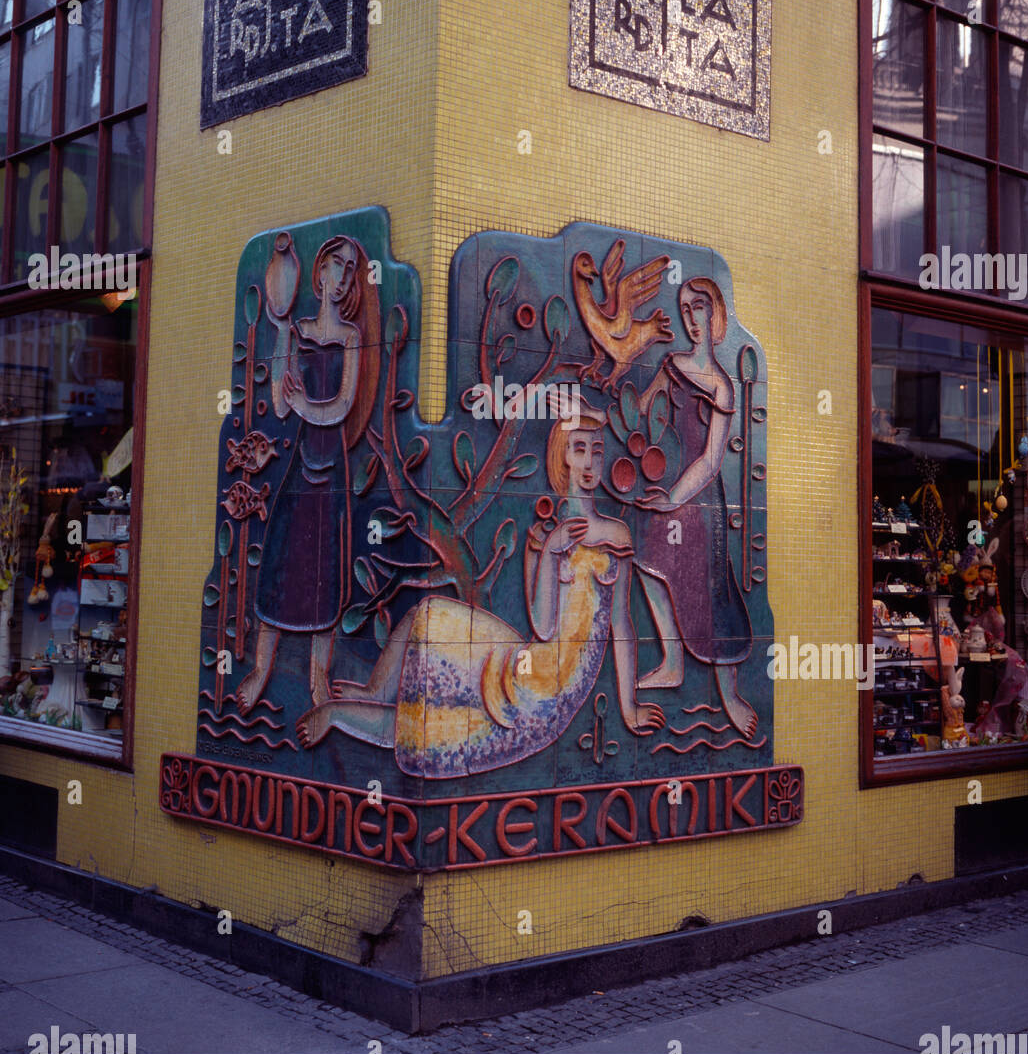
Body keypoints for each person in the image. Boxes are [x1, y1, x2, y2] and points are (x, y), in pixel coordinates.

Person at [296, 405, 666, 774]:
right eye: (579, 448)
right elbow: (542, 626)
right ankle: (374, 693)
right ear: (563, 456)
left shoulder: (617, 536)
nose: (589, 462)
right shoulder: (542, 538)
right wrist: (552, 551)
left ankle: (337, 714)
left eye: (597, 451)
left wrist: (629, 706)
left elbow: (622, 625)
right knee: (424, 618)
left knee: (433, 725)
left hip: (546, 693)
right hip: (527, 662)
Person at [236, 236, 377, 714]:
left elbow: (340, 406)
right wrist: (278, 329)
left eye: (350, 268)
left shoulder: (353, 337)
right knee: (279, 561)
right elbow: (278, 403)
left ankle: (319, 678)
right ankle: (260, 671)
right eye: (335, 265)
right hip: (299, 466)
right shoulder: (296, 332)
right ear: (317, 273)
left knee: (326, 566)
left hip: (331, 464)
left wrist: (303, 406)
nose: (342, 276)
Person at [633, 276, 759, 740]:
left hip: (701, 499)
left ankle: (729, 694)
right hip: (667, 483)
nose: (690, 317)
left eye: (699, 308)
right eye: (685, 309)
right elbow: (640, 410)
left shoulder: (724, 388)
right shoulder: (671, 366)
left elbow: (710, 460)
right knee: (646, 560)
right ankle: (671, 659)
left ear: (716, 314)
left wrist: (674, 498)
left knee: (714, 591)